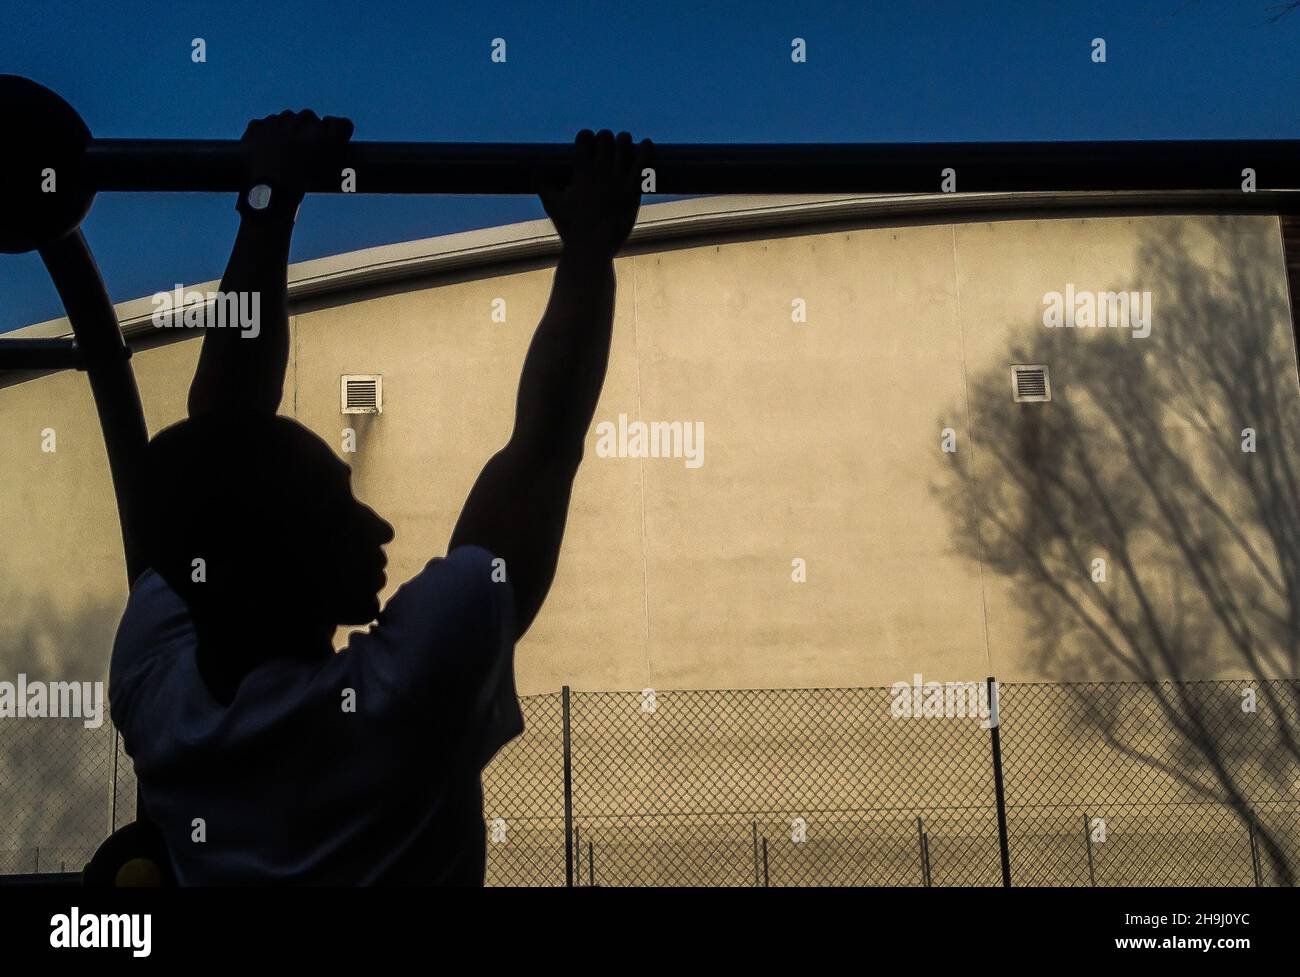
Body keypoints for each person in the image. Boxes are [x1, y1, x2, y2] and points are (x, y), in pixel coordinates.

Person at [107, 110, 650, 884]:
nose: (379, 521)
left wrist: (269, 202)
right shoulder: (404, 690)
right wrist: (590, 252)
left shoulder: (158, 693)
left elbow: (223, 435)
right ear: (266, 560)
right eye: (334, 510)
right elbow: (545, 449)